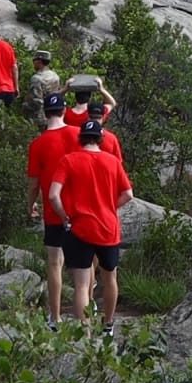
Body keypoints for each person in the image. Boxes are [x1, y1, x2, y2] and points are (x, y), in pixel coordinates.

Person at [48, 120, 134, 331]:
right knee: (109, 277)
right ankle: (108, 324)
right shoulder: (113, 162)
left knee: (81, 285)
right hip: (108, 229)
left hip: (80, 229)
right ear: (101, 139)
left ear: (80, 138)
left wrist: (64, 216)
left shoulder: (68, 161)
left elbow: (53, 195)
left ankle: (83, 331)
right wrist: (110, 207)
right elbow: (128, 194)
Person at [26, 92, 82, 329]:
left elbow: (33, 183)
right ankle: (84, 317)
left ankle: (55, 317)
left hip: (53, 210)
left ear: (45, 113)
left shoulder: (38, 144)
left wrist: (30, 205)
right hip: (81, 208)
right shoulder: (79, 134)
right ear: (64, 109)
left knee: (54, 263)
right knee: (83, 265)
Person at [25, 50, 63, 124]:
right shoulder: (55, 76)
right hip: (53, 113)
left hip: (39, 117)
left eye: (34, 61)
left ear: (39, 61)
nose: (33, 63)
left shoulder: (36, 78)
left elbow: (36, 101)